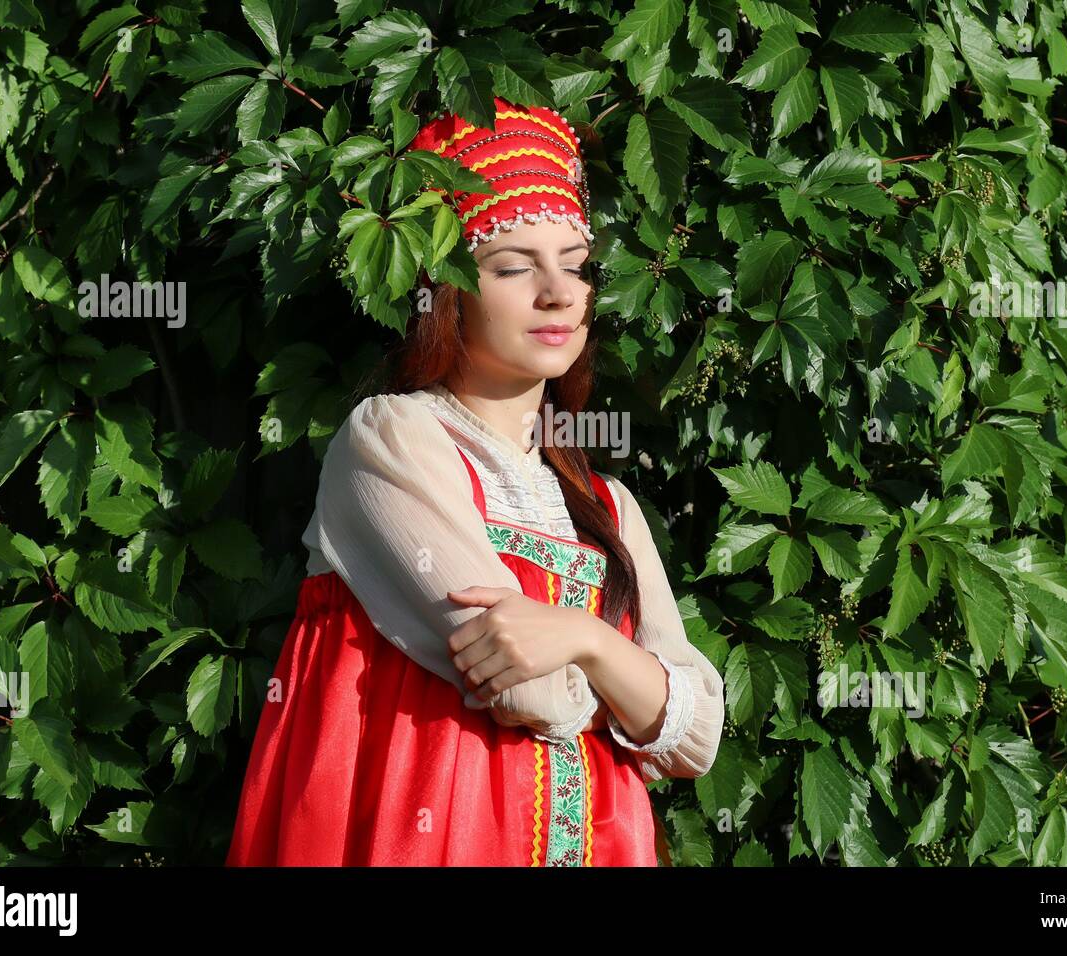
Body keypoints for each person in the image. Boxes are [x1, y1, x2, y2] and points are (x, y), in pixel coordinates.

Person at [224, 97, 724, 866]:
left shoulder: (607, 506)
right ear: (446, 287)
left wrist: (586, 640)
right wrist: (635, 691)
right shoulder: (393, 440)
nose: (559, 292)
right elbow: (527, 692)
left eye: (577, 265)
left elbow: (699, 737)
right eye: (514, 265)